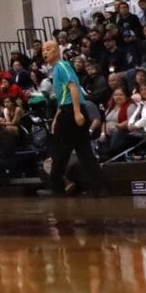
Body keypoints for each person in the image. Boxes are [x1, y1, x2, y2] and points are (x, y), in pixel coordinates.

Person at [44, 40, 101, 196]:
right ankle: (100, 189)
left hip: (71, 112)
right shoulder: (55, 69)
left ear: (57, 51)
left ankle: (56, 190)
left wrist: (77, 112)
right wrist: (56, 117)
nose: (45, 52)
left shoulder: (62, 66)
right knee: (84, 153)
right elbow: (62, 97)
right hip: (66, 110)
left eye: (48, 49)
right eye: (44, 50)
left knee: (59, 154)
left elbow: (73, 87)